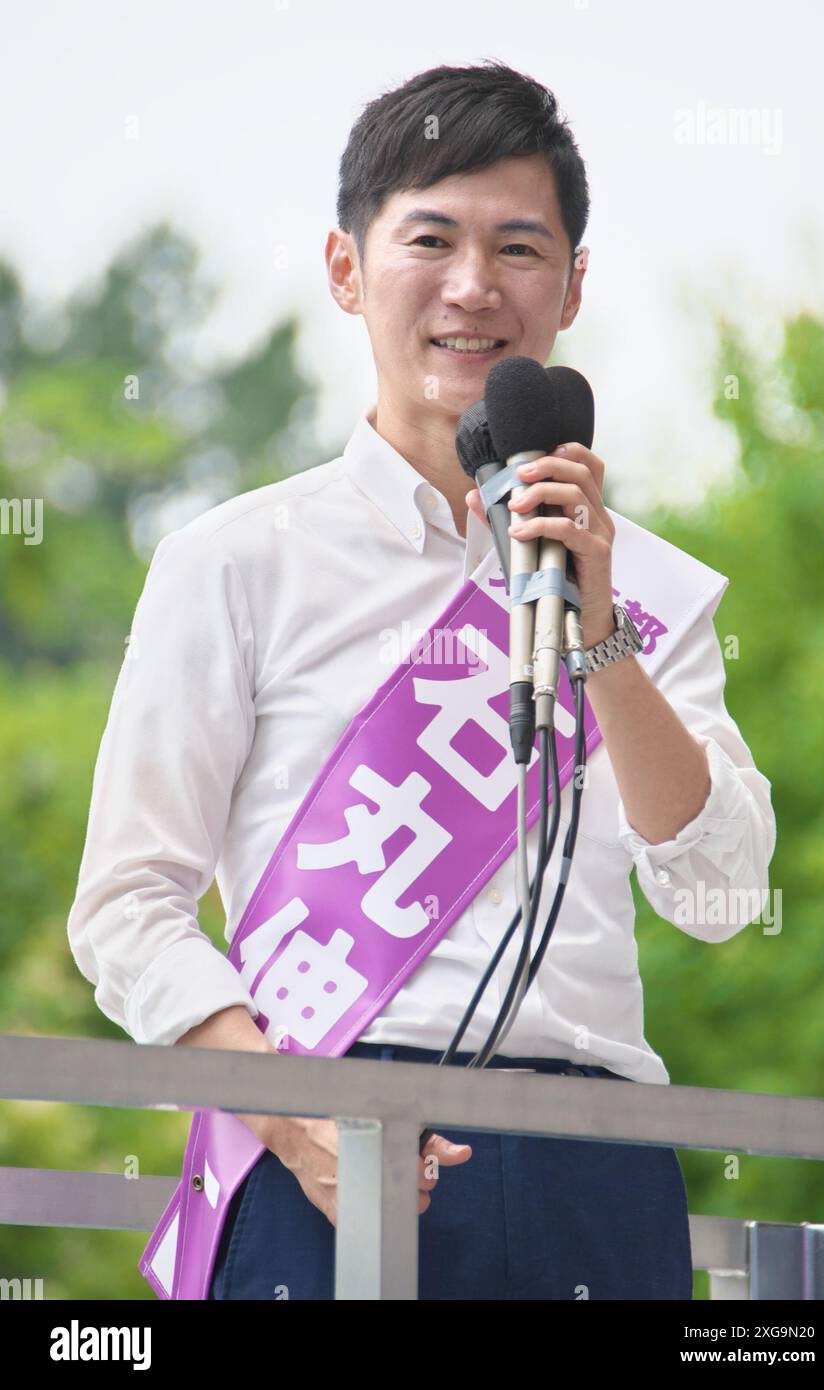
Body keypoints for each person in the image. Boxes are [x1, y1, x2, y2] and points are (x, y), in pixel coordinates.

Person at [67, 60, 776, 1301]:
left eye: (518, 247)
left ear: (570, 282)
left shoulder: (646, 582)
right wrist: (296, 1122)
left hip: (591, 1171)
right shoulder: (233, 561)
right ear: (347, 269)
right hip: (326, 1149)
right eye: (430, 239)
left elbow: (720, 894)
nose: (472, 288)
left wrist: (600, 629)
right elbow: (127, 905)